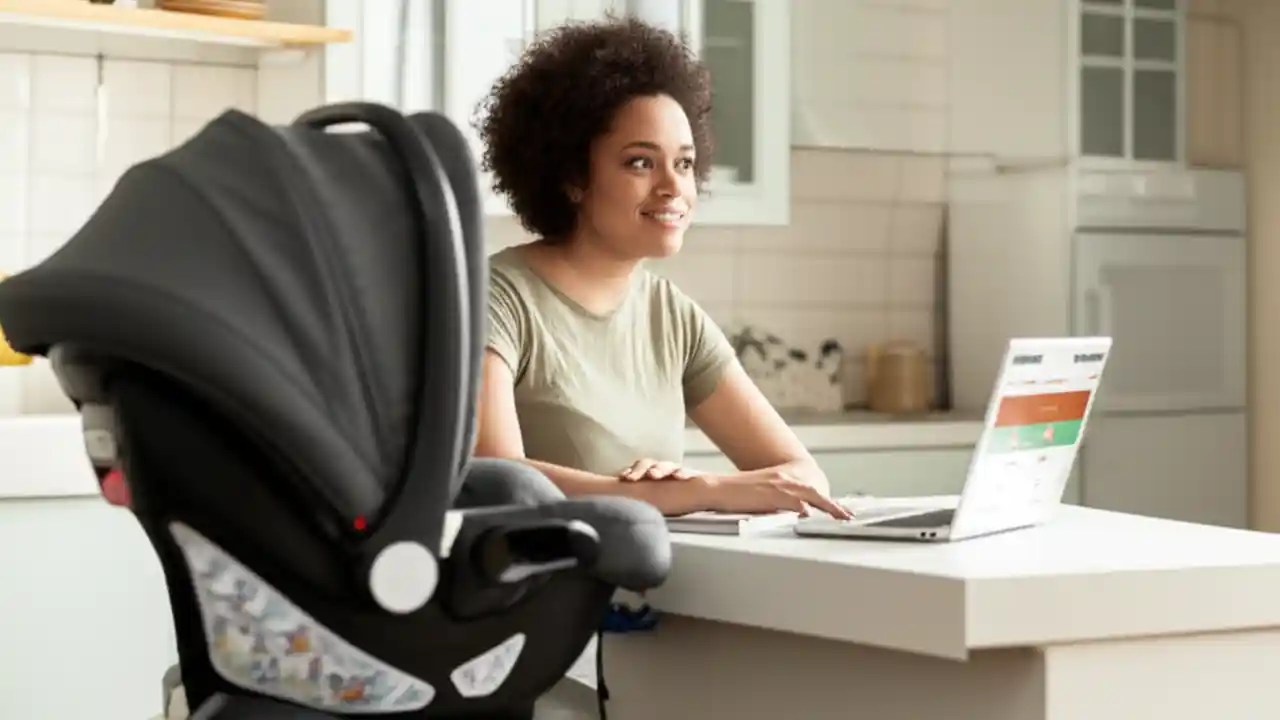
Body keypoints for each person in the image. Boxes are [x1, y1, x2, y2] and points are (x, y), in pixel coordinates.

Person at [472, 16, 851, 520]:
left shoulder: (674, 317)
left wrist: (695, 485)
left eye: (686, 163)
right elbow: (496, 479)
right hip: (540, 589)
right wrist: (682, 493)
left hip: (658, 584)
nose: (674, 186)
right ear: (571, 177)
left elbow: (801, 474)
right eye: (640, 162)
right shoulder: (493, 300)